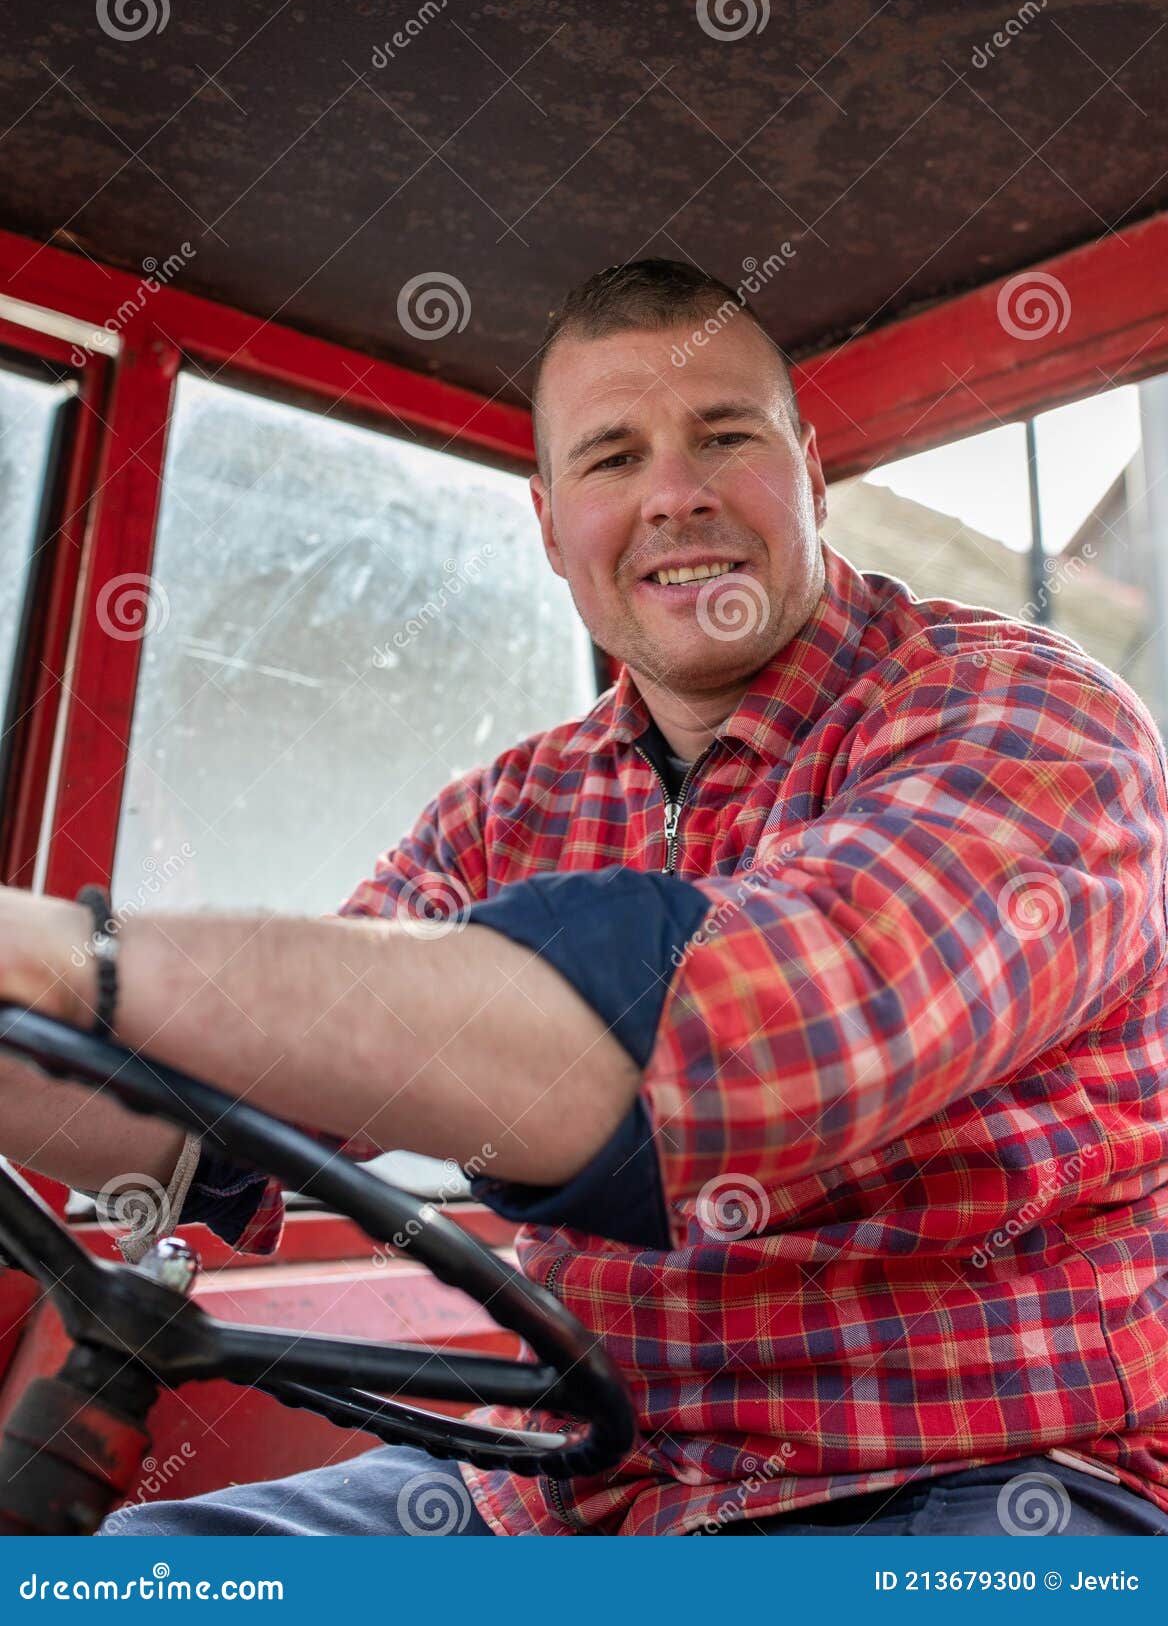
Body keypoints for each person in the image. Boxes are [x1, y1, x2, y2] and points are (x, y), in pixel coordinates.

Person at [2, 258, 1168, 1538]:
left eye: (724, 436)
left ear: (809, 473)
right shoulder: (505, 812)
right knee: (111, 1584)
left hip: (979, 1477)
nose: (674, 493)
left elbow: (757, 1044)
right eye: (613, 457)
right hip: (573, 1490)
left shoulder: (1018, 714)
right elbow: (218, 1109)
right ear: (551, 527)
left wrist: (73, 957)